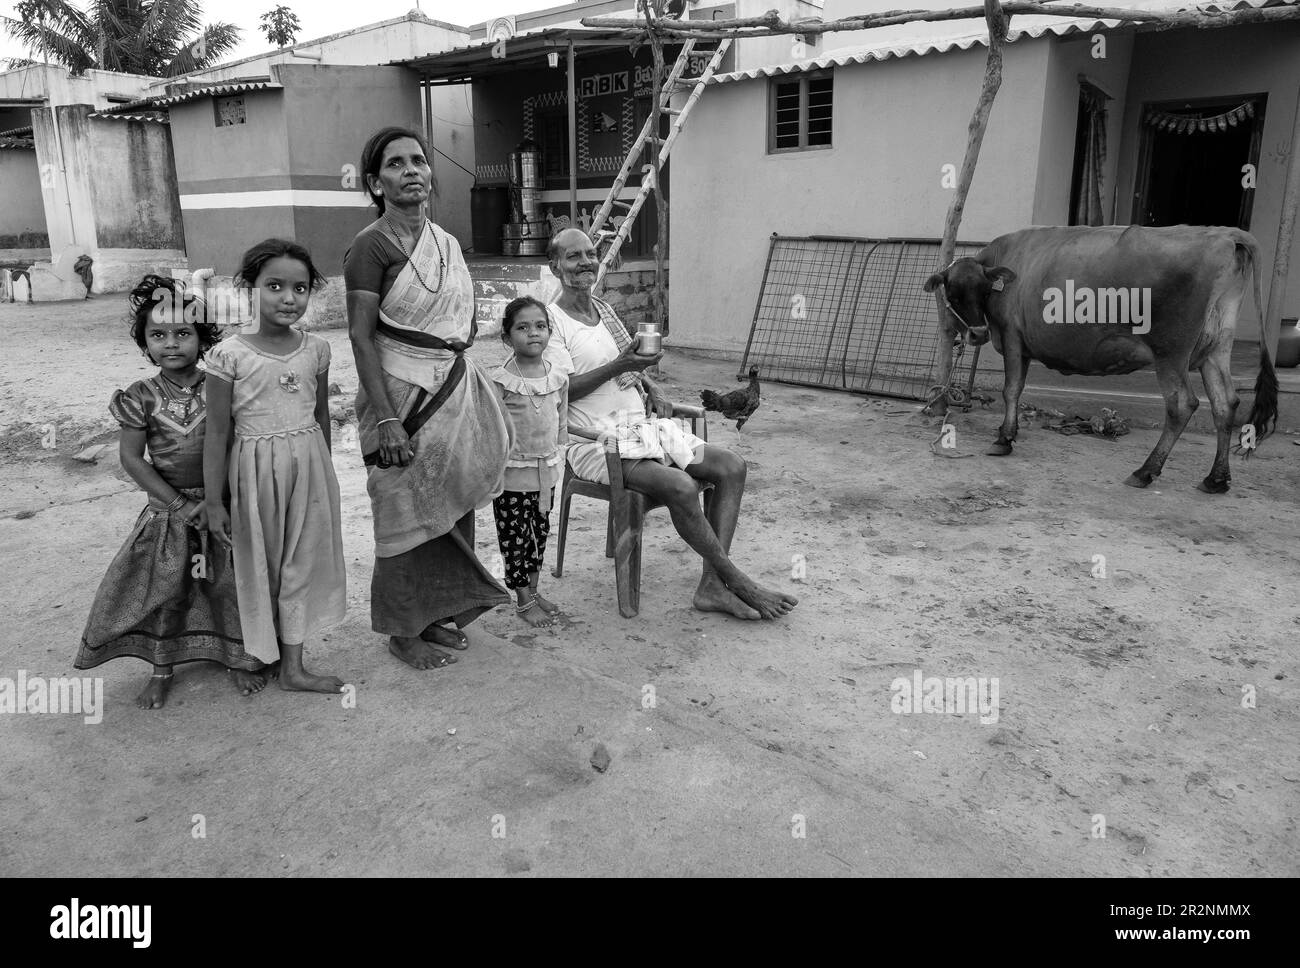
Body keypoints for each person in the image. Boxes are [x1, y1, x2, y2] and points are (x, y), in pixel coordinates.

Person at [544, 228, 798, 621]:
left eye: (591, 254)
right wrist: (624, 365)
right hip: (597, 442)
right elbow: (560, 392)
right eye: (574, 256)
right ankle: (736, 580)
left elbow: (626, 365)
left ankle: (712, 584)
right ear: (555, 266)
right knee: (681, 486)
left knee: (731, 466)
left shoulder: (603, 310)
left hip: (641, 428)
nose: (585, 263)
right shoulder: (550, 321)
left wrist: (650, 383)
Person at [345, 127, 513, 671]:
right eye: (396, 164)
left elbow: (457, 322)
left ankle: (436, 612)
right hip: (398, 394)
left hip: (450, 387)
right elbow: (360, 336)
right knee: (400, 510)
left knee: (448, 499)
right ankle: (401, 629)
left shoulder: (444, 243)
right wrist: (389, 419)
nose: (412, 170)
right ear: (376, 182)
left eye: (419, 160)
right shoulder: (369, 246)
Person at [76, 274, 263, 709]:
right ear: (144, 343)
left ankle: (238, 657)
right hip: (169, 512)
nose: (171, 344)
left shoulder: (222, 385)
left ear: (203, 338)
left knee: (228, 584)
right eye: (158, 335)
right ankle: (162, 667)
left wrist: (221, 498)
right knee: (169, 589)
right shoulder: (140, 397)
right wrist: (179, 505)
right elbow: (132, 459)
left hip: (222, 505)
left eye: (183, 333)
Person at [203, 240, 348, 694]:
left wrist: (324, 474)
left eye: (300, 288)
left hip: (309, 469)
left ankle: (294, 668)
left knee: (302, 565)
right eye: (275, 286)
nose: (289, 298)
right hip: (254, 474)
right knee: (261, 565)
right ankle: (259, 655)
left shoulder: (318, 349)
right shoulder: (229, 355)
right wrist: (213, 501)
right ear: (250, 288)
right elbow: (217, 433)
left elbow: (320, 415)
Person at [490, 297, 569, 628]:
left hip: (546, 476)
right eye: (522, 327)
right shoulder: (500, 381)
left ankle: (534, 592)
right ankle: (523, 601)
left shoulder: (559, 377)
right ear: (507, 337)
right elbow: (492, 431)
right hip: (512, 477)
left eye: (540, 326)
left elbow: (561, 422)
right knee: (515, 539)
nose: (533, 333)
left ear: (549, 332)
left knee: (539, 533)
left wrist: (560, 458)